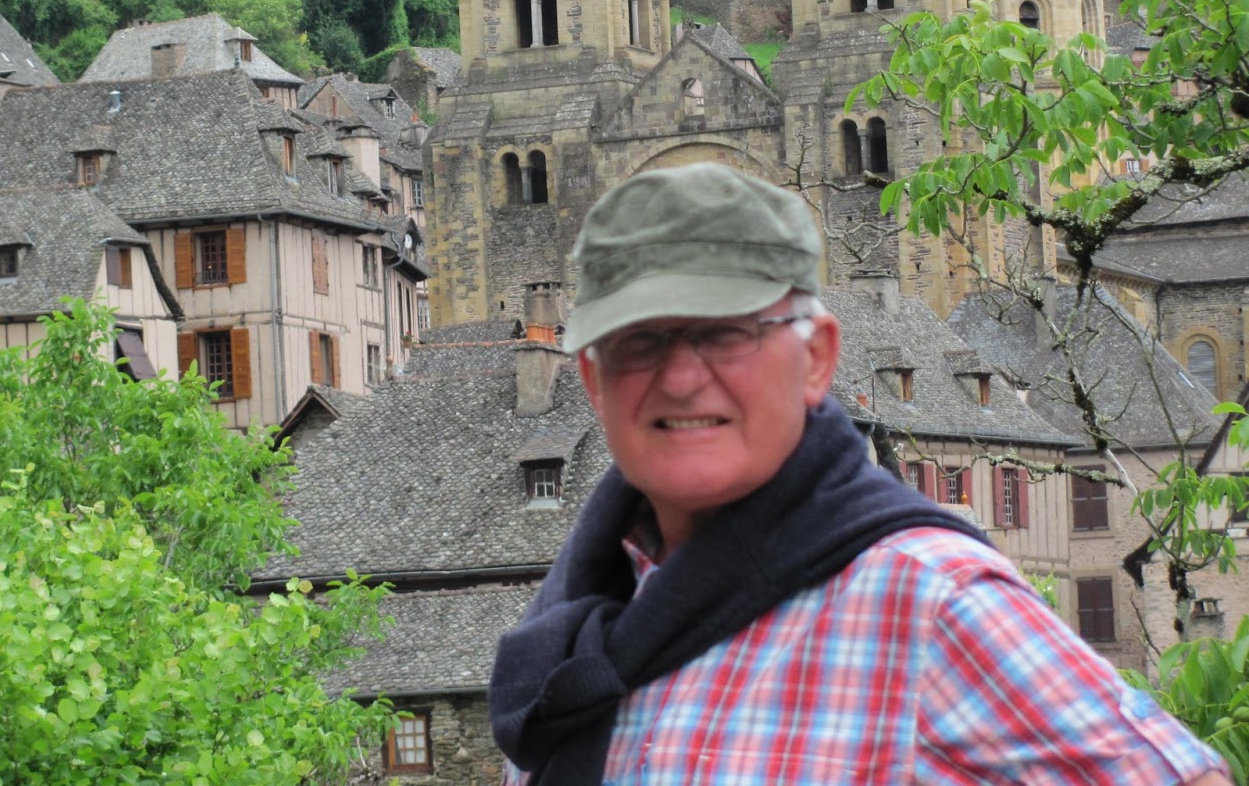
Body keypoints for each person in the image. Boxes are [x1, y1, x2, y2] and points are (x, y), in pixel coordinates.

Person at [489, 163, 1231, 786]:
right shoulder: (573, 620)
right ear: (593, 380)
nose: (682, 379)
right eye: (639, 342)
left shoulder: (930, 601)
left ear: (816, 359)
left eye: (727, 333)